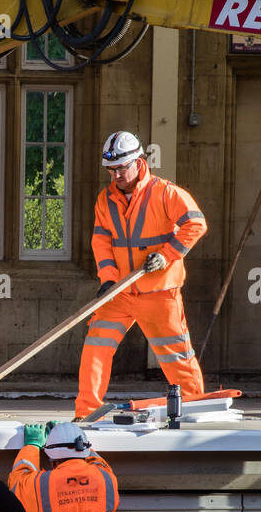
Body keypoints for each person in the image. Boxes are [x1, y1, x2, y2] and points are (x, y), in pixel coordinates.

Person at [75, 131, 208, 419]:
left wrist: (167, 255)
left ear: (139, 161)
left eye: (122, 168)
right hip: (120, 291)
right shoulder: (105, 200)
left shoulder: (165, 192)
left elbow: (196, 224)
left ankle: (197, 408)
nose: (116, 176)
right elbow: (102, 241)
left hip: (160, 292)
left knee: (176, 357)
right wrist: (108, 278)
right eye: (111, 170)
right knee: (95, 348)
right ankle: (85, 412)